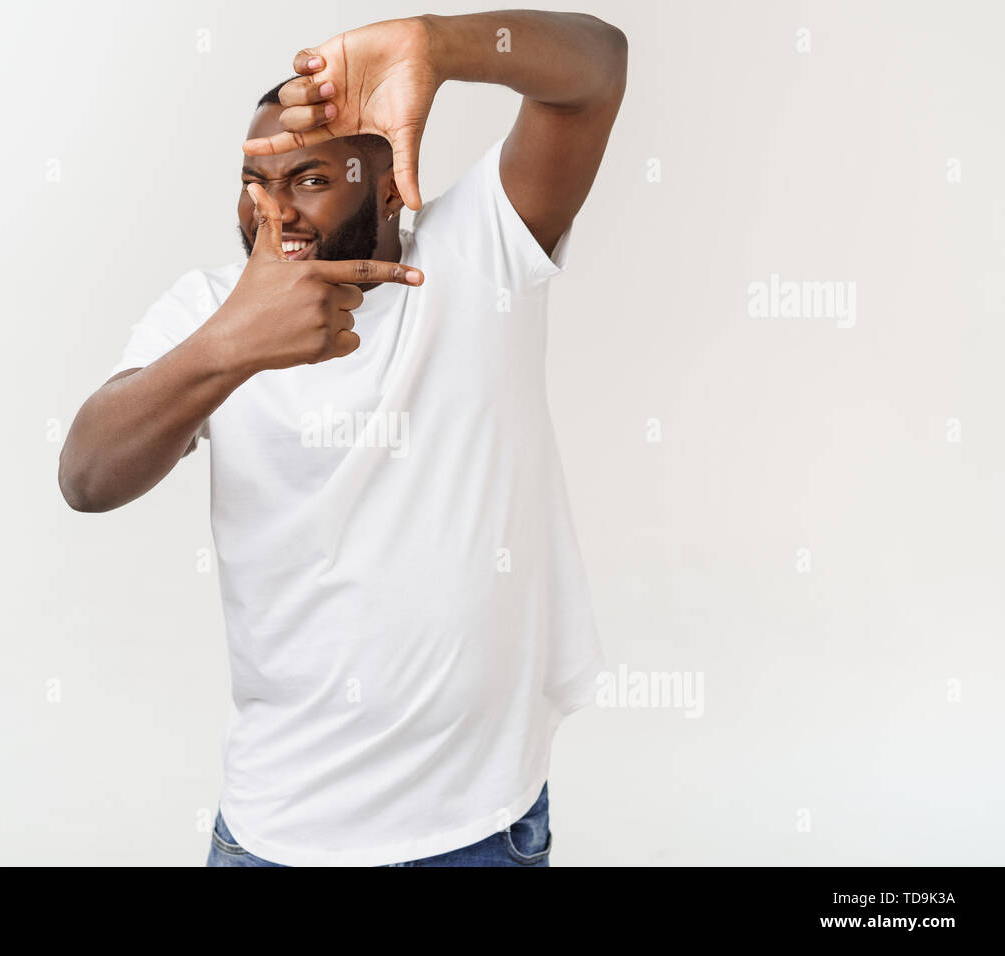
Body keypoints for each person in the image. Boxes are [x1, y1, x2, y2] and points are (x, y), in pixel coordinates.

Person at [59, 10, 627, 867]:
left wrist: (440, 46)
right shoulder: (201, 313)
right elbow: (88, 475)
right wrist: (230, 343)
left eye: (311, 178)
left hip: (482, 827)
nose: (271, 210)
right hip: (279, 837)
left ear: (393, 185)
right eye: (255, 181)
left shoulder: (478, 254)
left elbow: (598, 69)